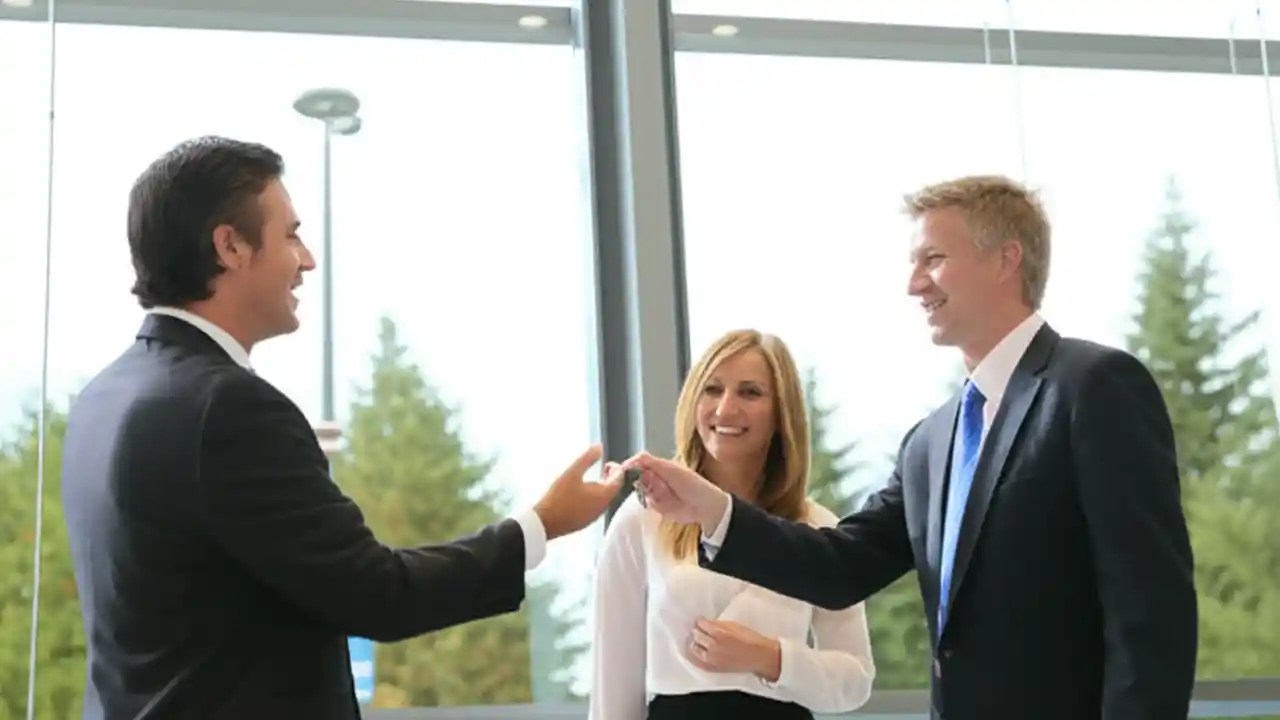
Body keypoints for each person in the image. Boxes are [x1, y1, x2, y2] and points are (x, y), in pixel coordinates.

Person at [59, 136, 623, 720]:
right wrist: (541, 525)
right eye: (291, 235)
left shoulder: (103, 398)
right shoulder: (227, 407)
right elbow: (378, 595)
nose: (307, 261)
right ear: (229, 246)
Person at [627, 175, 1198, 720]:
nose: (914, 283)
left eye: (934, 259)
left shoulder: (1094, 386)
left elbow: (1150, 610)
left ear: (1005, 259)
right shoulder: (931, 442)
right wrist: (711, 511)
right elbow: (842, 566)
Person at [589, 329, 874, 720]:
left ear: (781, 413)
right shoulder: (643, 519)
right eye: (712, 389)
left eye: (750, 392)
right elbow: (613, 685)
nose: (725, 409)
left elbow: (854, 681)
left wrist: (770, 657)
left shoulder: (818, 529)